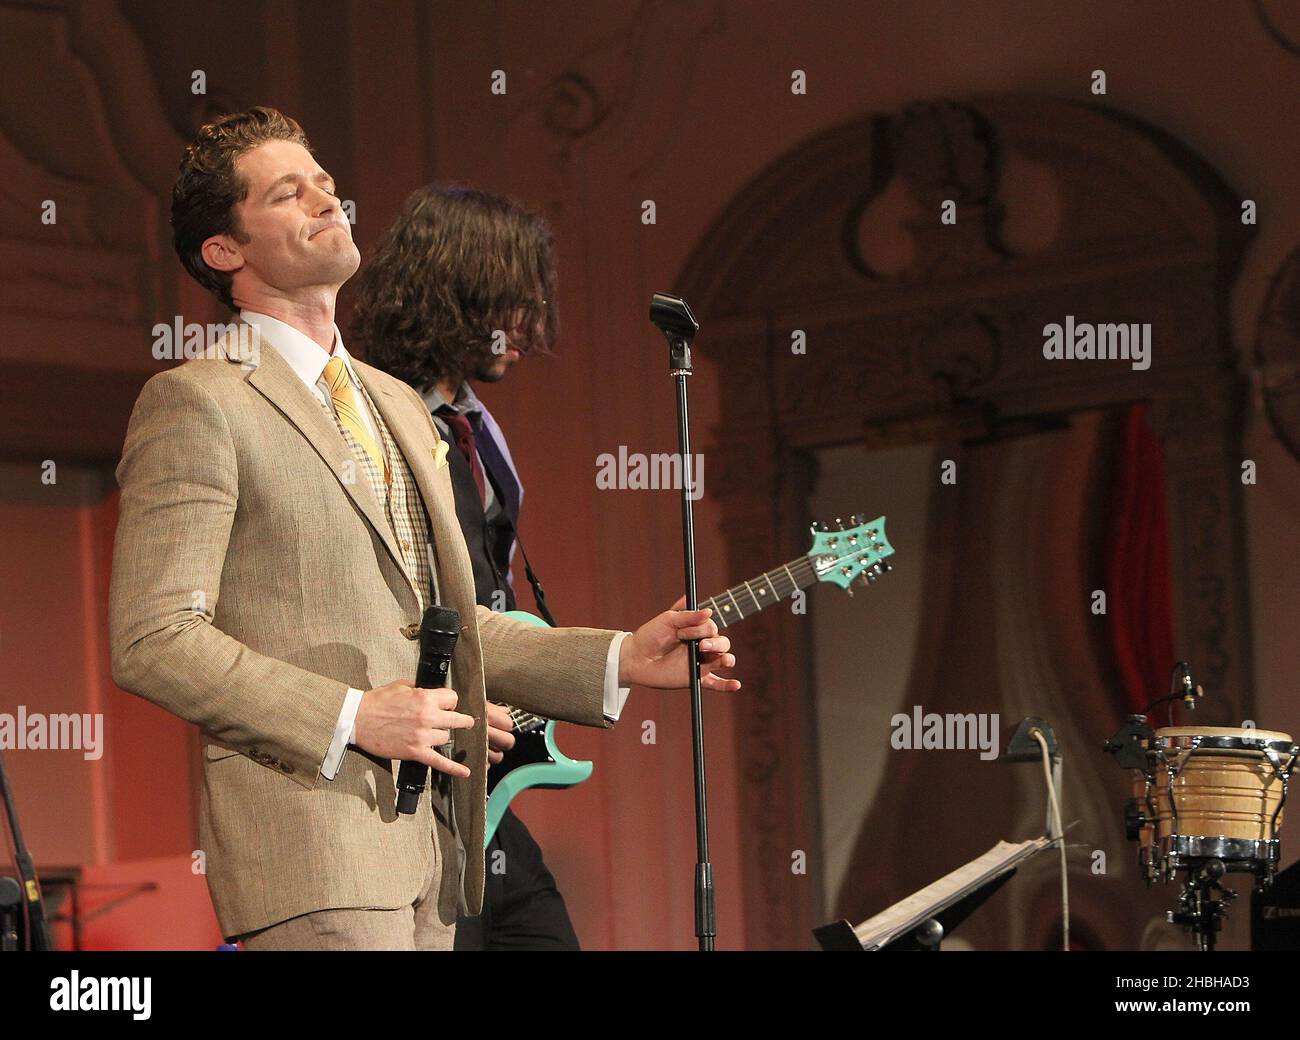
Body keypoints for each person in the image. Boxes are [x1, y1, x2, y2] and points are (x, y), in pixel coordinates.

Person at [108, 107, 740, 950]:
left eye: (326, 185)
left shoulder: (397, 403)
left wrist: (622, 655)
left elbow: (453, 623)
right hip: (312, 850)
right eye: (288, 193)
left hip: (433, 857)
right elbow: (155, 637)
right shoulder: (198, 400)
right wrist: (350, 716)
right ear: (226, 251)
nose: (327, 201)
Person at [353, 184, 582, 949]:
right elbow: (374, 599)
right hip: (402, 788)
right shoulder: (374, 422)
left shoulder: (480, 428)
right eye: (512, 306)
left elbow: (494, 600)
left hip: (482, 794)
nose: (532, 331)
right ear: (454, 294)